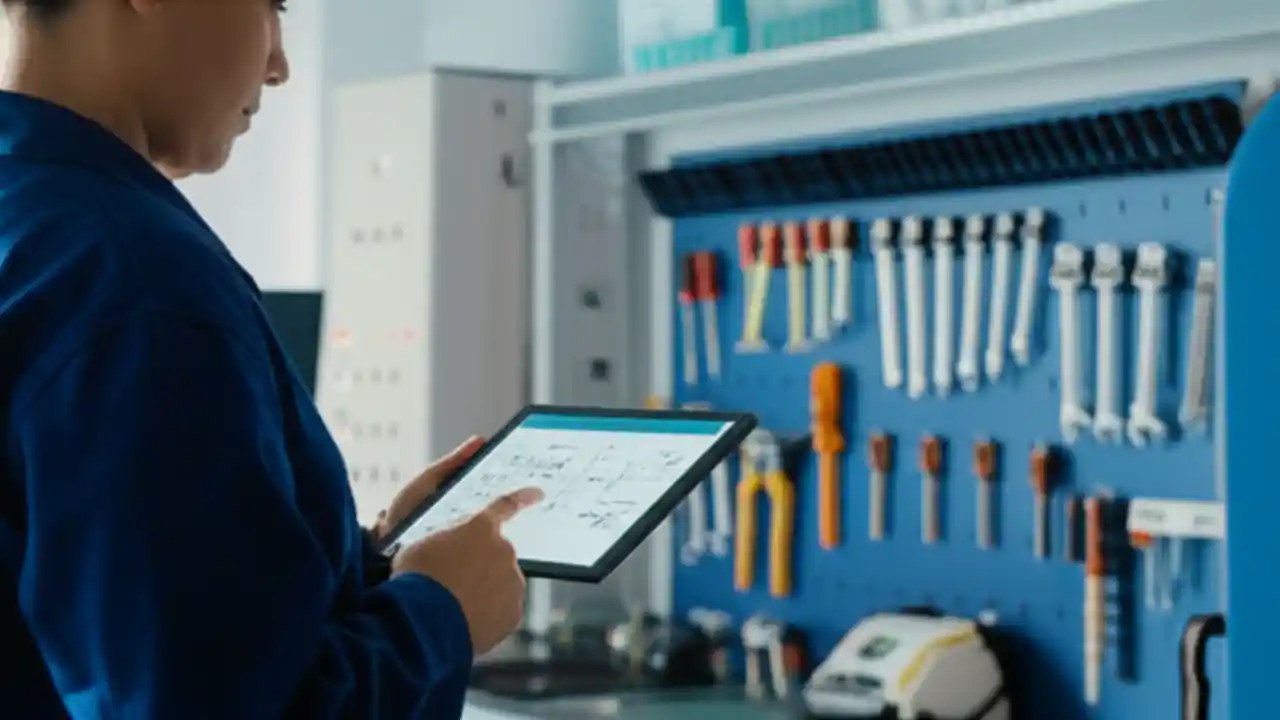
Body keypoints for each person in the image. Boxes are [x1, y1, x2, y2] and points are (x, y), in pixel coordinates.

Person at [0, 1, 542, 717]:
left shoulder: (33, 223)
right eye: (271, 6)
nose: (280, 64)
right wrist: (442, 614)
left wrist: (366, 560)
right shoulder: (136, 279)